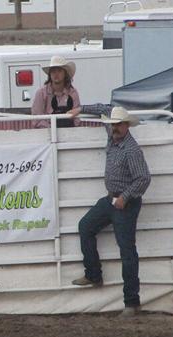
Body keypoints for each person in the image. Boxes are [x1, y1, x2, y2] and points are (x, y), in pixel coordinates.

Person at [68, 104, 151, 317]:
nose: (114, 128)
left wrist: (125, 197)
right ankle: (94, 274)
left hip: (125, 202)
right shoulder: (114, 136)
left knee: (127, 250)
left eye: (118, 124)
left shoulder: (131, 149)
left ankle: (131, 302)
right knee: (85, 226)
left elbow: (144, 178)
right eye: (113, 124)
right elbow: (106, 107)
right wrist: (81, 108)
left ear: (126, 126)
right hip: (112, 199)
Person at [30, 56, 80, 128]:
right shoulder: (41, 93)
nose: (56, 74)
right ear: (50, 74)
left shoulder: (73, 93)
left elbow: (77, 118)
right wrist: (52, 128)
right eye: (53, 71)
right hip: (45, 134)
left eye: (59, 71)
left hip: (70, 133)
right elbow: (36, 119)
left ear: (65, 73)